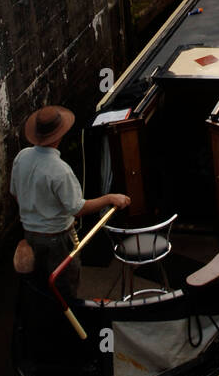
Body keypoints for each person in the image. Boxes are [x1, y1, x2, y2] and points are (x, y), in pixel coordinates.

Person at [10, 105, 130, 296]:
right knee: (65, 289)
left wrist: (37, 213)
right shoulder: (60, 170)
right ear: (58, 136)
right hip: (56, 240)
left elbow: (16, 194)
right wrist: (110, 198)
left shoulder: (21, 158)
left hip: (30, 234)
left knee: (38, 287)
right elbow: (78, 208)